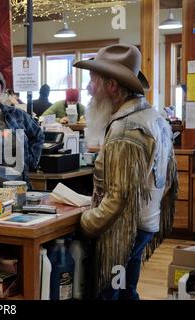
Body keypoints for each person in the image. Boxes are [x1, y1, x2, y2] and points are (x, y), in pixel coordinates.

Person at [73, 44, 178, 300]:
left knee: (108, 293)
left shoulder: (126, 128)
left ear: (111, 86)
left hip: (123, 231)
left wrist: (85, 223)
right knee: (126, 290)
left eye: (92, 82)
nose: (88, 89)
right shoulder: (153, 117)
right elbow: (167, 182)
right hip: (143, 224)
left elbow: (119, 198)